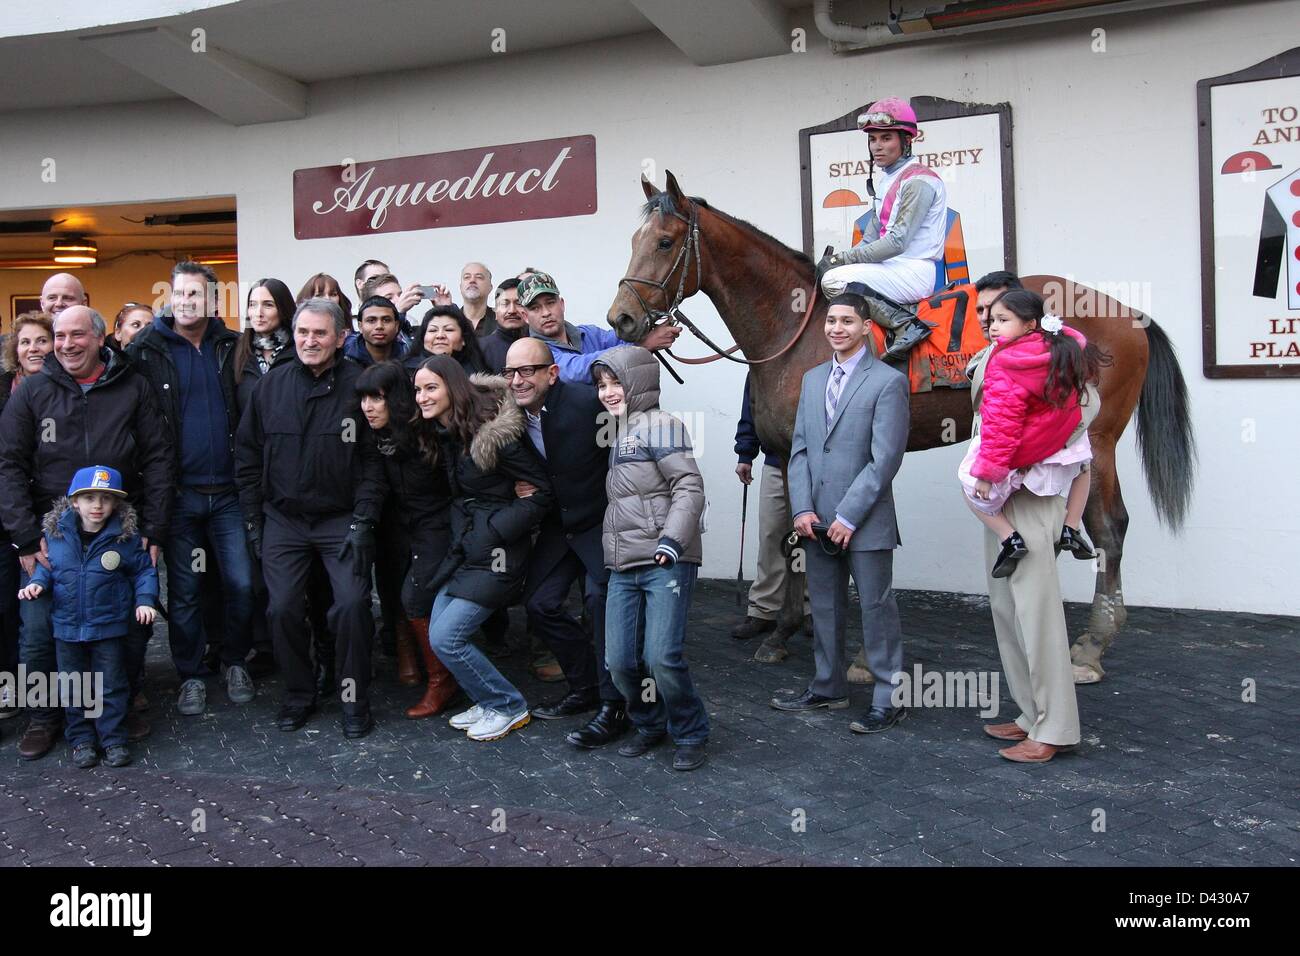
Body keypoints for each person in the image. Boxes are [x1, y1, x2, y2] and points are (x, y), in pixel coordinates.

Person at [0, 305, 172, 758]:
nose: (66, 344)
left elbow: (158, 458)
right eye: (59, 336)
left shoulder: (132, 387)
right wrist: (22, 536)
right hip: (49, 536)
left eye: (77, 335)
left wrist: (152, 529)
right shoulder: (34, 392)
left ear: (100, 339)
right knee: (38, 632)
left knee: (128, 627)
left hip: (119, 530)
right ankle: (44, 715)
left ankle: (120, 704)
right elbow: (9, 465)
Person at [963, 289, 1102, 763]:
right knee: (1008, 611)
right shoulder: (1016, 354)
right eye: (984, 314)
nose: (987, 322)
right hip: (1009, 493)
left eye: (997, 314)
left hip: (1029, 496)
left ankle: (1056, 727)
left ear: (1027, 321)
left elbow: (1077, 415)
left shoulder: (1039, 360)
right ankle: (1030, 713)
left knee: (1038, 616)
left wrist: (1007, 465)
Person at [234, 298, 384, 739]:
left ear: (341, 338)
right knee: (281, 609)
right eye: (303, 332)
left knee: (354, 605)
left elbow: (375, 463)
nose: (310, 340)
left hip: (343, 519)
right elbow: (246, 455)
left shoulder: (360, 386)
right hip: (283, 519)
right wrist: (252, 521)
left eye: (321, 333)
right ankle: (300, 692)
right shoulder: (270, 386)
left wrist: (364, 521)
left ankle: (353, 696)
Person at [772, 293, 910, 734]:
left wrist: (848, 516)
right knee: (827, 608)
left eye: (847, 321)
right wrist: (803, 508)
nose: (837, 329)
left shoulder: (887, 382)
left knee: (876, 607)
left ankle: (889, 698)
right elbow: (799, 451)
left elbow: (885, 459)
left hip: (865, 522)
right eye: (831, 321)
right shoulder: (812, 380)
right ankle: (828, 688)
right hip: (815, 524)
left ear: (866, 327)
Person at [126, 261, 255, 715]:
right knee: (183, 591)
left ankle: (235, 660)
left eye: (195, 294)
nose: (185, 302)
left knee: (241, 582)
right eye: (178, 294)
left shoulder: (233, 346)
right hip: (179, 496)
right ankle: (191, 675)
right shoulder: (146, 350)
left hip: (229, 495)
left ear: (213, 301)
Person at [415, 355, 554, 742]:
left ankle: (508, 705)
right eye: (418, 390)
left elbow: (542, 492)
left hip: (498, 553)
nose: (422, 397)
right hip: (468, 549)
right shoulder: (450, 432)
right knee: (438, 632)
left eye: (430, 388)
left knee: (447, 637)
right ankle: (487, 698)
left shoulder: (496, 434)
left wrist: (494, 530)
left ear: (452, 388)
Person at [505, 337, 632, 748]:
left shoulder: (587, 404)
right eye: (510, 373)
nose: (518, 380)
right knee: (540, 603)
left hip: (603, 522)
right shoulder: (510, 417)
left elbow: (628, 450)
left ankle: (616, 706)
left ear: (551, 373)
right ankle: (586, 687)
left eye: (527, 371)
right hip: (561, 526)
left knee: (599, 604)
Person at [591, 346, 709, 771]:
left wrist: (671, 541)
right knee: (620, 661)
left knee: (662, 657)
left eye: (616, 382)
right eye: (602, 385)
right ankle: (649, 723)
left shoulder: (661, 426)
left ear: (639, 383)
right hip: (624, 564)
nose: (608, 392)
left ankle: (690, 731)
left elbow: (689, 487)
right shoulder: (618, 431)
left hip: (666, 559)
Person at [18, 466, 158, 769]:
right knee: (74, 686)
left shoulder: (124, 537)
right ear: (74, 502)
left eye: (106, 499)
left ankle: (113, 739)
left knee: (111, 684)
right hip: (67, 629)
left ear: (116, 504)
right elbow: (47, 568)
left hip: (108, 626)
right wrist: (36, 584)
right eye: (89, 498)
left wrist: (145, 600)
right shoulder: (55, 536)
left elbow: (143, 570)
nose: (97, 506)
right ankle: (81, 739)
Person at [959, 290, 1101, 579]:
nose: (993, 326)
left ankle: (1009, 537)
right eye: (990, 319)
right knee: (1085, 468)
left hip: (1031, 449)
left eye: (1002, 319)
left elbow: (1001, 424)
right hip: (1066, 444)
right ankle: (1071, 527)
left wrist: (987, 473)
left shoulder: (1004, 362)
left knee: (967, 484)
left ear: (1030, 325)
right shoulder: (1060, 348)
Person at [355, 361, 459, 712]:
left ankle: (441, 682)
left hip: (436, 524)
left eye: (377, 398)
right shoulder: (374, 436)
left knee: (415, 597)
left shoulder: (429, 432)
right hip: (396, 525)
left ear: (395, 400)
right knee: (393, 588)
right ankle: (409, 659)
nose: (368, 407)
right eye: (364, 398)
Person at [816, 97, 948, 362]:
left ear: (906, 140)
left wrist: (842, 260)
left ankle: (905, 324)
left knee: (833, 280)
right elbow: (870, 239)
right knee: (831, 273)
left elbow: (897, 242)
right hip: (891, 268)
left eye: (886, 138)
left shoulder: (918, 179)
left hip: (913, 270)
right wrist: (837, 260)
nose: (877, 146)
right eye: (873, 139)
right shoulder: (887, 179)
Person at [0, 311, 56, 720]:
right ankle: (15, 695)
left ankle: (53, 705)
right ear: (14, 351)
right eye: (25, 342)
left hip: (44, 517)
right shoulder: (5, 391)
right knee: (9, 612)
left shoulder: (60, 388)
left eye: (41, 340)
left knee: (39, 618)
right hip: (10, 516)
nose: (33, 348)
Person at [731, 373, 809, 640]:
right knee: (771, 536)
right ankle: (763, 610)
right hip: (776, 463)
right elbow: (752, 408)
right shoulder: (761, 366)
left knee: (812, 537)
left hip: (815, 465)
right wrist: (745, 453)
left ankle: (810, 608)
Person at [519, 271, 681, 383]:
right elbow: (576, 370)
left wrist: (648, 329)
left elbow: (621, 338)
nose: (546, 313)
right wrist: (643, 345)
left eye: (550, 303)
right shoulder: (534, 352)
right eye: (535, 308)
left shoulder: (588, 333)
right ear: (525, 316)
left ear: (561, 304)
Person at [405, 305, 488, 377]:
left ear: (463, 338)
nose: (440, 335)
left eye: (449, 330)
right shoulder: (406, 372)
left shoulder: (479, 374)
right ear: (423, 337)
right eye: (433, 330)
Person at [344, 295, 410, 367]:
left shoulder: (409, 356)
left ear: (396, 325)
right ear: (360, 326)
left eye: (386, 320)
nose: (379, 326)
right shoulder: (344, 359)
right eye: (371, 320)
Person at [480, 278, 528, 372]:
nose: (512, 311)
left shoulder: (542, 345)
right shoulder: (480, 349)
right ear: (496, 312)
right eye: (504, 304)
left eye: (518, 303)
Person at [458, 262, 497, 337]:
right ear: (460, 287)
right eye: (467, 277)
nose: (472, 280)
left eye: (479, 277)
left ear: (490, 287)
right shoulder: (451, 320)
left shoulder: (501, 321)